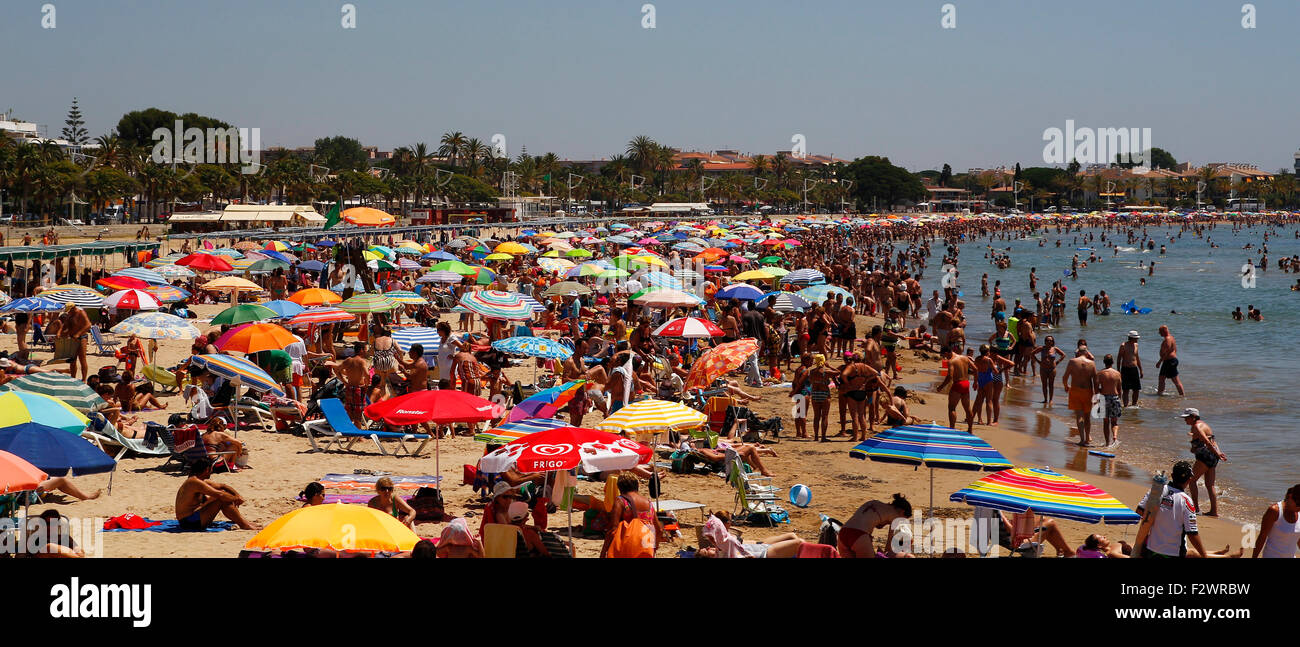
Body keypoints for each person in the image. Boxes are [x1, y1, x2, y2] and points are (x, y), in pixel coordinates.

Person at [1136, 460, 1206, 558]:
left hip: (1151, 549)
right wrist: (1204, 555)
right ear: (1189, 480)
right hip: (1174, 553)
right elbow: (1192, 534)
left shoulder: (1156, 490)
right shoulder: (1186, 501)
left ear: (1172, 475)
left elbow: (1139, 511)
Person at [174, 457, 255, 531]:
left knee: (224, 495)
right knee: (222, 499)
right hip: (188, 522)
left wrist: (237, 496)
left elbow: (223, 486)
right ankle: (244, 524)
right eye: (211, 470)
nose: (212, 472)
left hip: (191, 518)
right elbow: (220, 495)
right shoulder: (194, 482)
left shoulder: (200, 480)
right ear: (207, 469)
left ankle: (244, 522)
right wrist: (235, 499)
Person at [697, 513, 805, 558]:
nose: (708, 547)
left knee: (792, 535)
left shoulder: (720, 549)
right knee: (799, 543)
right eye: (707, 550)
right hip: (765, 554)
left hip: (761, 546)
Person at [1181, 408, 1226, 517]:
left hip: (1206, 455)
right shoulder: (1204, 425)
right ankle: (1214, 512)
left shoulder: (1197, 426)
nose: (1185, 420)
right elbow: (1213, 441)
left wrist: (1217, 453)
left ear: (1193, 417)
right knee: (1210, 485)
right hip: (1213, 456)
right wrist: (1218, 453)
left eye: (1187, 418)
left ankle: (1196, 509)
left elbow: (1206, 441)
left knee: (1191, 480)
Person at [838, 493, 912, 558]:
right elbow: (889, 546)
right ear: (902, 512)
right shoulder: (895, 516)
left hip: (843, 532)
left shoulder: (875, 503)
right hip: (859, 535)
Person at [1060, 347, 1098, 446]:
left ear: (1078, 352)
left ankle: (1082, 439)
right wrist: (1097, 394)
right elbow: (1095, 381)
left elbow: (1065, 377)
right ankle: (1087, 438)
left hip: (1075, 390)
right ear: (1087, 353)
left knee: (1079, 416)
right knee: (1087, 417)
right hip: (1088, 391)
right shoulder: (1092, 363)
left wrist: (1066, 386)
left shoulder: (1072, 362)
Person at [1251, 484, 1300, 558]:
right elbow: (1262, 536)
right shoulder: (1274, 511)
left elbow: (1298, 538)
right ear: (1290, 497)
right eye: (1298, 505)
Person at [935, 345, 974, 432]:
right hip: (966, 383)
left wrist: (941, 387)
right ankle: (970, 429)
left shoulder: (951, 361)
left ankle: (952, 429)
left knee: (952, 408)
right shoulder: (965, 358)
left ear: (946, 353)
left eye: (944, 355)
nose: (944, 358)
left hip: (958, 384)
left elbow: (949, 376)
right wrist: (975, 382)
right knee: (967, 408)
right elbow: (975, 369)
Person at [59, 302, 92, 382]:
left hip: (81, 337)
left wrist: (78, 334)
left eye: (69, 311)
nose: (68, 313)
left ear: (73, 308)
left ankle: (84, 379)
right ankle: (73, 378)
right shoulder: (70, 315)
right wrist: (59, 332)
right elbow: (65, 325)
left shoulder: (81, 313)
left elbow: (88, 325)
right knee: (72, 360)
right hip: (72, 338)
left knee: (82, 358)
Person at [1096, 354, 1122, 447]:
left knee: (1106, 422)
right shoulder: (1117, 373)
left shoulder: (1100, 373)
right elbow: (1119, 389)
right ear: (1113, 362)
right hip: (1115, 398)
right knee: (1114, 422)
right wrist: (1120, 399)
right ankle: (1115, 437)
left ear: (1104, 362)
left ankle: (1107, 443)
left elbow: (1096, 388)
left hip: (1104, 398)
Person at [1031, 336, 1066, 405]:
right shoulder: (1042, 348)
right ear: (1045, 341)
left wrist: (1057, 362)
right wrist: (1038, 361)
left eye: (1050, 340)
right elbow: (1032, 353)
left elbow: (1063, 355)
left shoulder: (1054, 349)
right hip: (1043, 369)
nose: (1049, 342)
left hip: (1052, 369)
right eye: (1047, 340)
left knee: (1051, 385)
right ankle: (1045, 399)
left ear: (1053, 342)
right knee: (1044, 385)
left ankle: (1050, 400)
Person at [1156, 325, 1184, 396]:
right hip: (1170, 361)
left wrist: (1160, 361)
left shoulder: (1168, 339)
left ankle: (1182, 395)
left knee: (1175, 380)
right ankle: (1160, 394)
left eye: (1160, 332)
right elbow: (1175, 349)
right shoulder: (1171, 338)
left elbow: (1167, 351)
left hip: (1169, 361)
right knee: (1162, 378)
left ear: (1164, 331)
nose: (1159, 334)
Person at [1117, 330, 1143, 407]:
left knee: (1136, 389)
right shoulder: (1123, 345)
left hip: (1134, 369)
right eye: (1136, 338)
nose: (1137, 339)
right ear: (1131, 338)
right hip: (1125, 369)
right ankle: (1125, 406)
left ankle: (1134, 405)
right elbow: (1119, 359)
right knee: (1126, 390)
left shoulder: (1136, 345)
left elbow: (1137, 358)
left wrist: (1141, 370)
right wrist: (1118, 371)